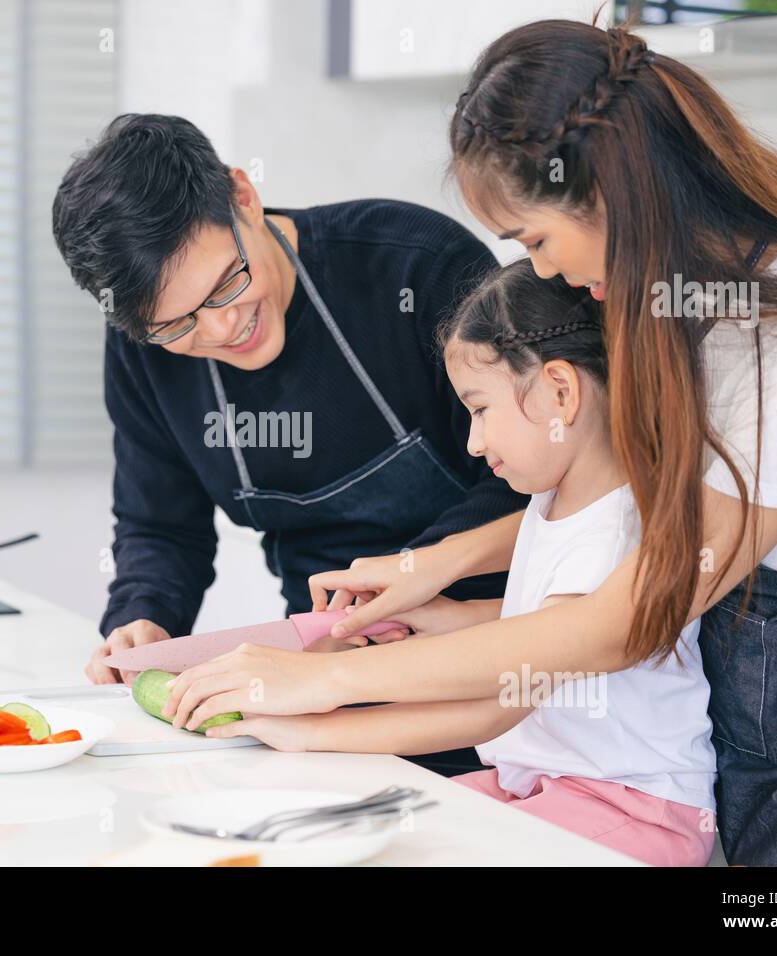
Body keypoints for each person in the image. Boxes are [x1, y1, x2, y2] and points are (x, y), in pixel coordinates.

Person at [162, 20, 777, 867]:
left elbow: (633, 616)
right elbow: (643, 506)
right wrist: (439, 562)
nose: (543, 275)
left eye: (535, 241)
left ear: (613, 194)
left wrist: (326, 681)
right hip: (730, 677)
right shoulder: (672, 302)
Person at [206, 260, 718, 866]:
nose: (472, 443)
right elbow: (534, 625)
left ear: (561, 391)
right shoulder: (556, 499)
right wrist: (443, 618)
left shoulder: (612, 528)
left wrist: (313, 728)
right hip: (541, 785)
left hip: (631, 812)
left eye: (478, 408)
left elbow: (498, 701)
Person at [52, 115, 527, 714]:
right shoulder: (141, 349)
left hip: (495, 658)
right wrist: (144, 617)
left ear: (243, 198)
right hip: (318, 671)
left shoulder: (414, 265)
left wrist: (398, 586)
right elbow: (160, 524)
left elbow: (543, 473)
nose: (222, 329)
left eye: (226, 283)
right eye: (176, 325)